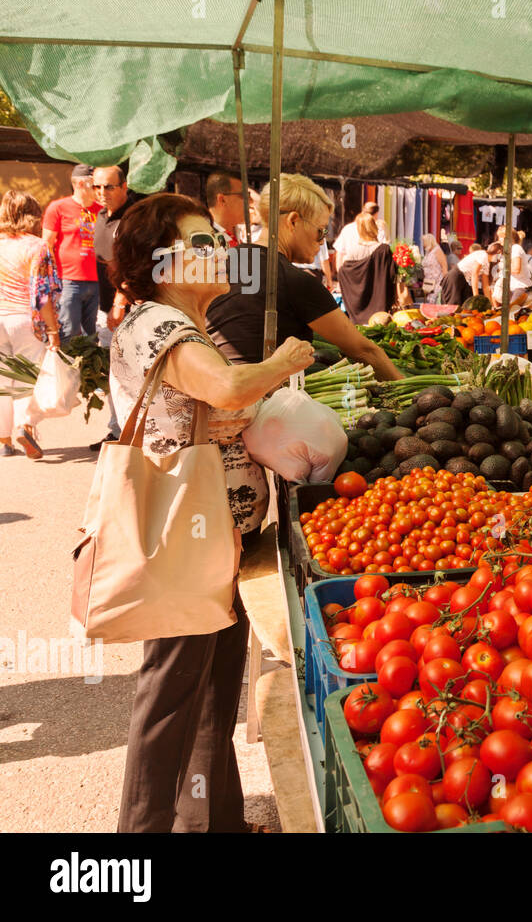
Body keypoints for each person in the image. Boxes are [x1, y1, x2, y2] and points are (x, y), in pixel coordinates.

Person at [107, 192, 317, 832]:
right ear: (160, 263)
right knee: (170, 695)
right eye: (200, 243)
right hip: (185, 537)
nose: (218, 250)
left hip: (220, 535)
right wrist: (281, 363)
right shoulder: (158, 325)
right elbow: (224, 388)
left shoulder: (186, 325)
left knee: (213, 692)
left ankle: (212, 820)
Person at [206, 174, 402, 380]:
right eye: (321, 231)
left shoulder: (224, 260)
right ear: (293, 221)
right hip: (264, 400)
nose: (322, 241)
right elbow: (364, 351)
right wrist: (406, 389)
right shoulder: (294, 280)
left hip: (216, 387)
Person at [0, 191, 61, 459]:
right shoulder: (37, 247)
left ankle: (3, 441)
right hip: (25, 320)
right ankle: (26, 427)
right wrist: (53, 330)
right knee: (26, 379)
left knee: (3, 381)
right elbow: (42, 294)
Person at [91, 163, 138, 449]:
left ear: (124, 186)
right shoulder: (100, 216)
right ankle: (117, 429)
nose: (102, 192)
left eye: (109, 186)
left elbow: (132, 265)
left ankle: (130, 432)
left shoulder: (132, 219)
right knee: (114, 374)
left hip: (127, 309)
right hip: (105, 307)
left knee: (128, 374)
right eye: (97, 186)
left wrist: (120, 301)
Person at [43, 163, 102, 341]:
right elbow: (46, 244)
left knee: (92, 334)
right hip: (68, 280)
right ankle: (66, 367)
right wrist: (51, 279)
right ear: (79, 184)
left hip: (97, 280)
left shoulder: (102, 210)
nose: (99, 190)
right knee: (68, 331)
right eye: (95, 184)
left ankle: (88, 368)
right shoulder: (58, 207)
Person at [336, 212, 398, 322]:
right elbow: (391, 276)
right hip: (380, 308)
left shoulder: (353, 250)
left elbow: (342, 272)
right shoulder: (384, 250)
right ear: (374, 227)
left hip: (357, 311)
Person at [204, 171, 249, 245]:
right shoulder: (202, 238)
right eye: (243, 195)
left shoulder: (239, 233)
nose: (250, 201)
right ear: (222, 200)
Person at [492, 227, 532, 309]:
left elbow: (516, 269)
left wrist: (502, 270)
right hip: (513, 289)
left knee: (511, 313)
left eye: (501, 237)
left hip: (521, 288)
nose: (499, 239)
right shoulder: (510, 250)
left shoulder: (515, 248)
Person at [420, 233, 447, 301]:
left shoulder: (437, 251)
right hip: (429, 282)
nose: (423, 244)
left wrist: (445, 282)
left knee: (434, 300)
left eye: (424, 242)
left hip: (437, 281)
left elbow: (444, 266)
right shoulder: (428, 252)